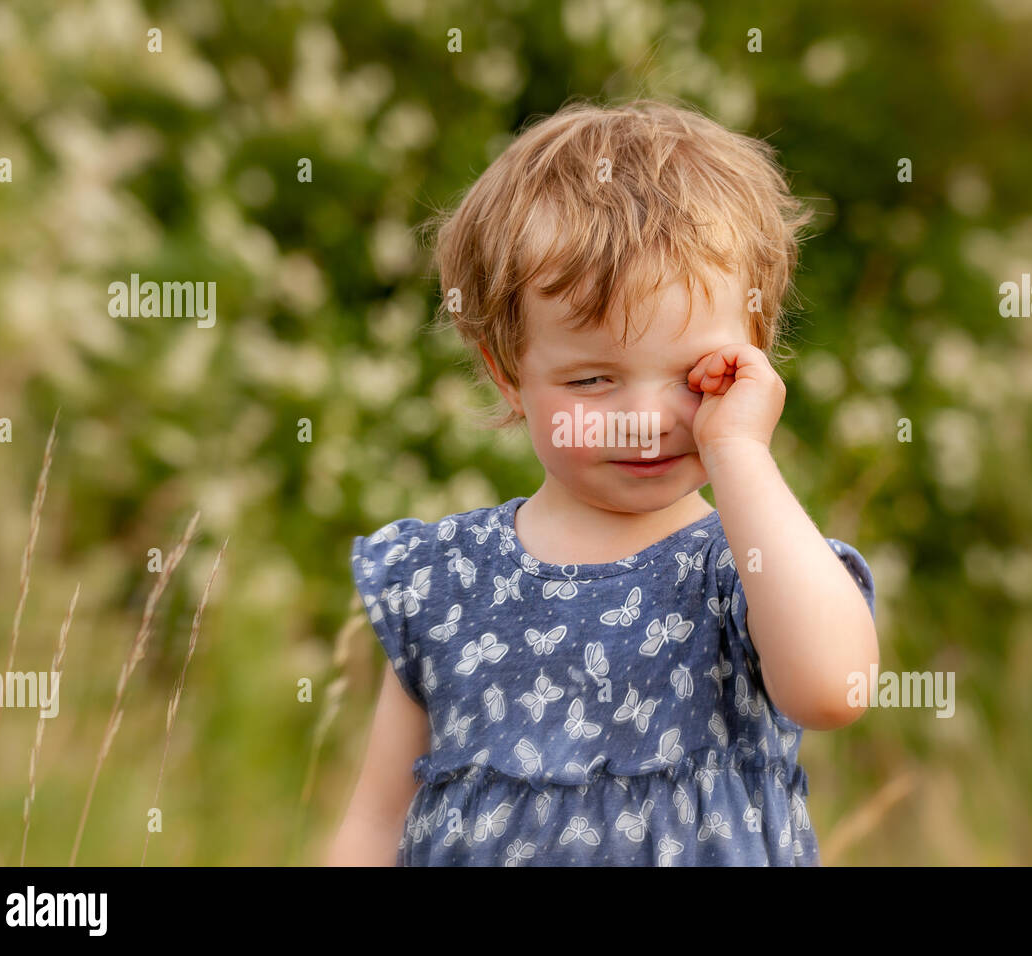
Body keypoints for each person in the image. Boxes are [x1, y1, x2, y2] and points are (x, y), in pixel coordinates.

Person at [328, 98, 878, 866]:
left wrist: (741, 454)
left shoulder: (743, 568)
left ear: (754, 355)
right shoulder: (446, 582)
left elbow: (834, 687)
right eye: (592, 379)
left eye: (695, 375)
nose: (645, 419)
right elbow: (375, 823)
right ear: (509, 373)